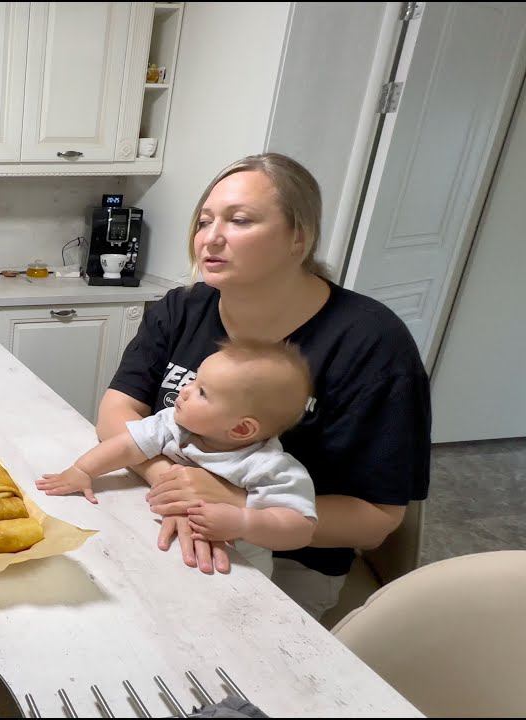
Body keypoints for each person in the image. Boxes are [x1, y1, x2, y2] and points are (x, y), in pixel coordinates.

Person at [92, 153, 430, 618]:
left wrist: (236, 507)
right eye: (205, 221)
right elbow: (116, 412)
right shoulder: (181, 308)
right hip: (163, 509)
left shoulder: (371, 342)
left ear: (299, 237)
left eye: (240, 221)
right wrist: (172, 483)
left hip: (290, 557)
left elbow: (376, 519)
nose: (210, 238)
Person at [38, 340, 318, 576]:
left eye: (202, 392)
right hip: (165, 544)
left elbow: (301, 528)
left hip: (237, 566)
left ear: (241, 429)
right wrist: (83, 470)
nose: (185, 389)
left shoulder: (270, 467)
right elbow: (127, 445)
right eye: (194, 380)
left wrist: (243, 522)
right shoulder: (174, 424)